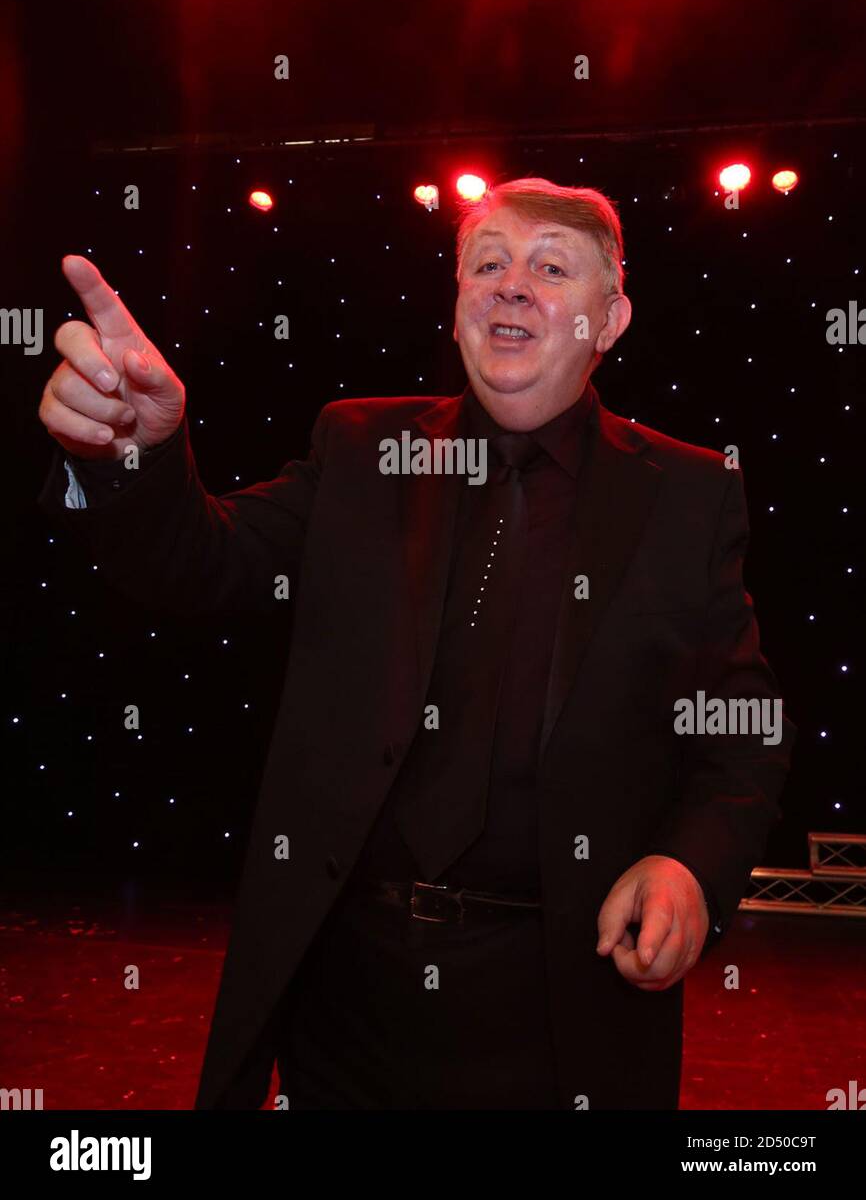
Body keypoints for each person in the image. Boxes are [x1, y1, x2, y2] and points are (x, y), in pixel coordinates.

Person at [37, 178, 796, 1110]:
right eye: (488, 264)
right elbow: (201, 564)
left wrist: (689, 864)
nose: (511, 285)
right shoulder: (361, 449)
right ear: (460, 304)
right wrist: (135, 453)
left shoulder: (686, 496)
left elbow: (743, 730)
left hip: (564, 1015)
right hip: (348, 1006)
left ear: (609, 320)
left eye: (550, 268)